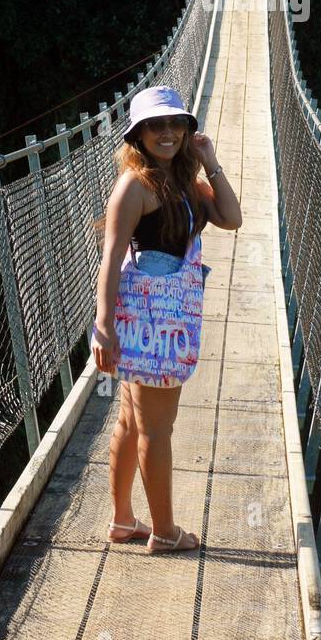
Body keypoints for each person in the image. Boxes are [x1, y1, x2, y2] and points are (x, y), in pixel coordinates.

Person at [91, 85, 242, 554]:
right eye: (156, 125)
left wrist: (210, 160)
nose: (168, 132)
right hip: (153, 325)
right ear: (138, 134)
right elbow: (111, 256)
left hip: (162, 320)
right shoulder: (134, 186)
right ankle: (165, 531)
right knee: (158, 429)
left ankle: (122, 522)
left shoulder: (184, 181)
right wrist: (103, 326)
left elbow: (231, 218)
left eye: (176, 123)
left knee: (132, 423)